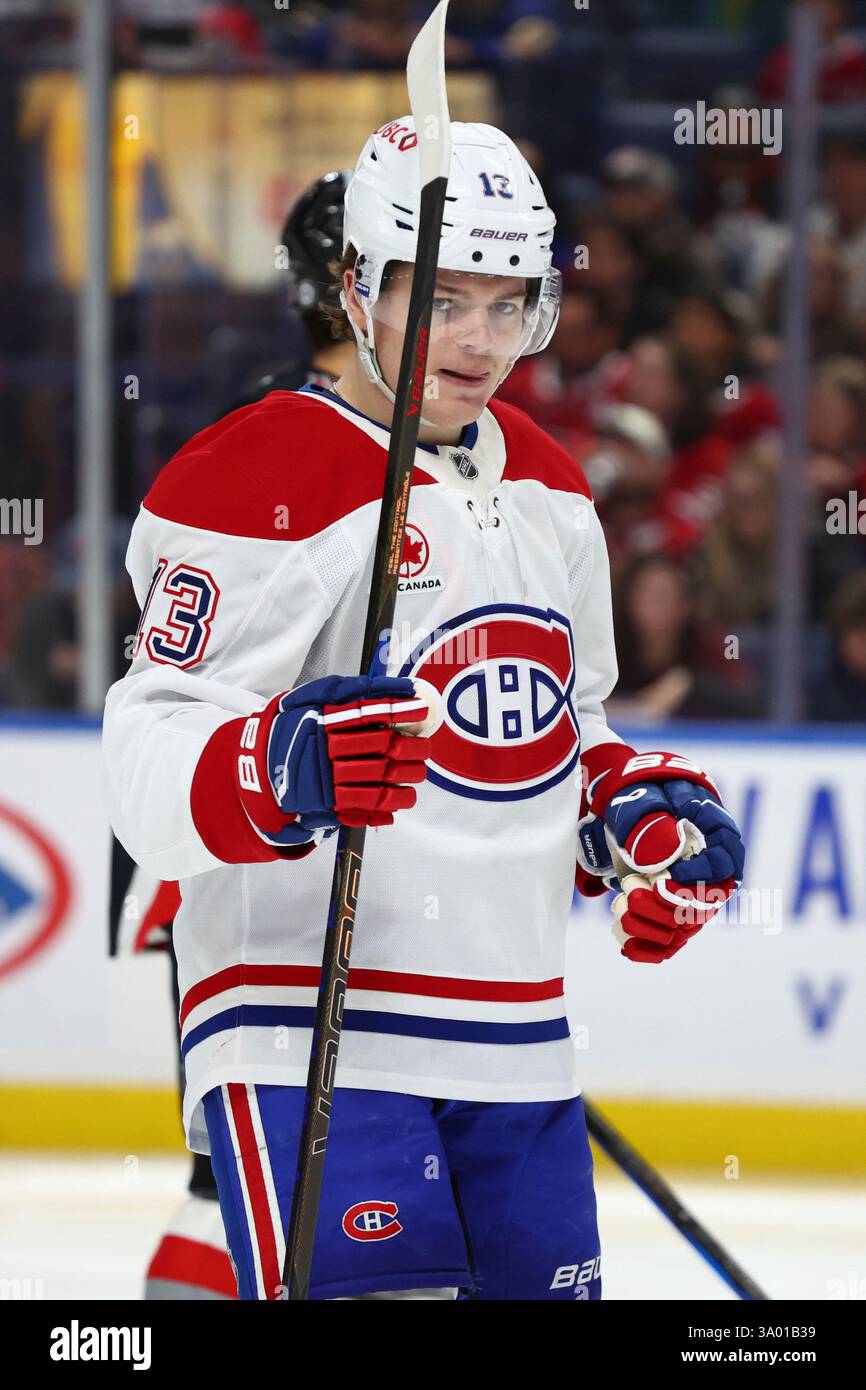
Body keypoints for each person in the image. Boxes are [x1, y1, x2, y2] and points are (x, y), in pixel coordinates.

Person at [103, 118, 745, 1301]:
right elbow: (147, 747)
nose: (481, 340)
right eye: (444, 298)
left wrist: (632, 815)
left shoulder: (552, 485)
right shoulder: (255, 472)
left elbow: (569, 724)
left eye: (510, 305)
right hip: (306, 1027)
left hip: (517, 1036)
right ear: (358, 287)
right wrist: (274, 765)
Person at [109, 172, 357, 1301]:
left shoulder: (452, 445)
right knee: (246, 1189)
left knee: (277, 1192)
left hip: (304, 869)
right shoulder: (282, 442)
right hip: (257, 867)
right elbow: (172, 694)